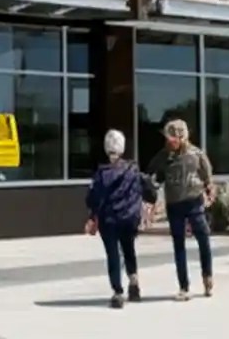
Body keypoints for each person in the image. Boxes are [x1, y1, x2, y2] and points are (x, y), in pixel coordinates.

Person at [146, 118, 215, 301]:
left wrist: (209, 190)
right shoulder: (164, 156)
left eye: (172, 138)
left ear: (181, 137)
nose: (169, 141)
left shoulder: (196, 154)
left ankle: (207, 276)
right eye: (167, 138)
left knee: (203, 237)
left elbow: (207, 175)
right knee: (178, 244)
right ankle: (184, 286)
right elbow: (154, 178)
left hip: (194, 202)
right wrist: (150, 201)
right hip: (174, 204)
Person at [84, 129, 145, 308]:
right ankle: (134, 283)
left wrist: (92, 217)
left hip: (109, 219)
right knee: (128, 250)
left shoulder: (101, 174)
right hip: (129, 217)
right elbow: (145, 188)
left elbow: (93, 198)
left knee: (113, 254)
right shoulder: (133, 170)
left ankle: (118, 292)